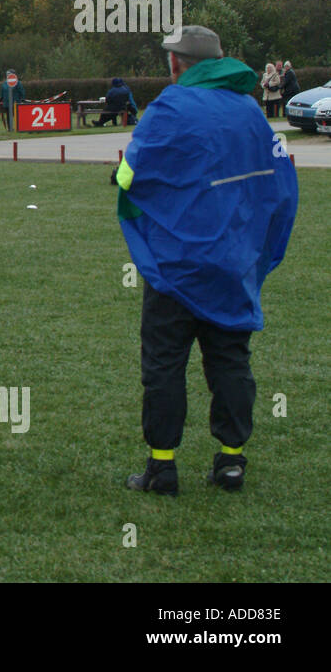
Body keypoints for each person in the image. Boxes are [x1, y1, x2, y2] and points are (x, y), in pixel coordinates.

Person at [117, 26, 297, 496]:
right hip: (232, 265)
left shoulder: (169, 107)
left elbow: (129, 174)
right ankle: (232, 462)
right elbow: (279, 184)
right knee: (231, 361)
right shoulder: (250, 111)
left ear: (177, 64)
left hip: (176, 266)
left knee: (164, 365)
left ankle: (162, 468)